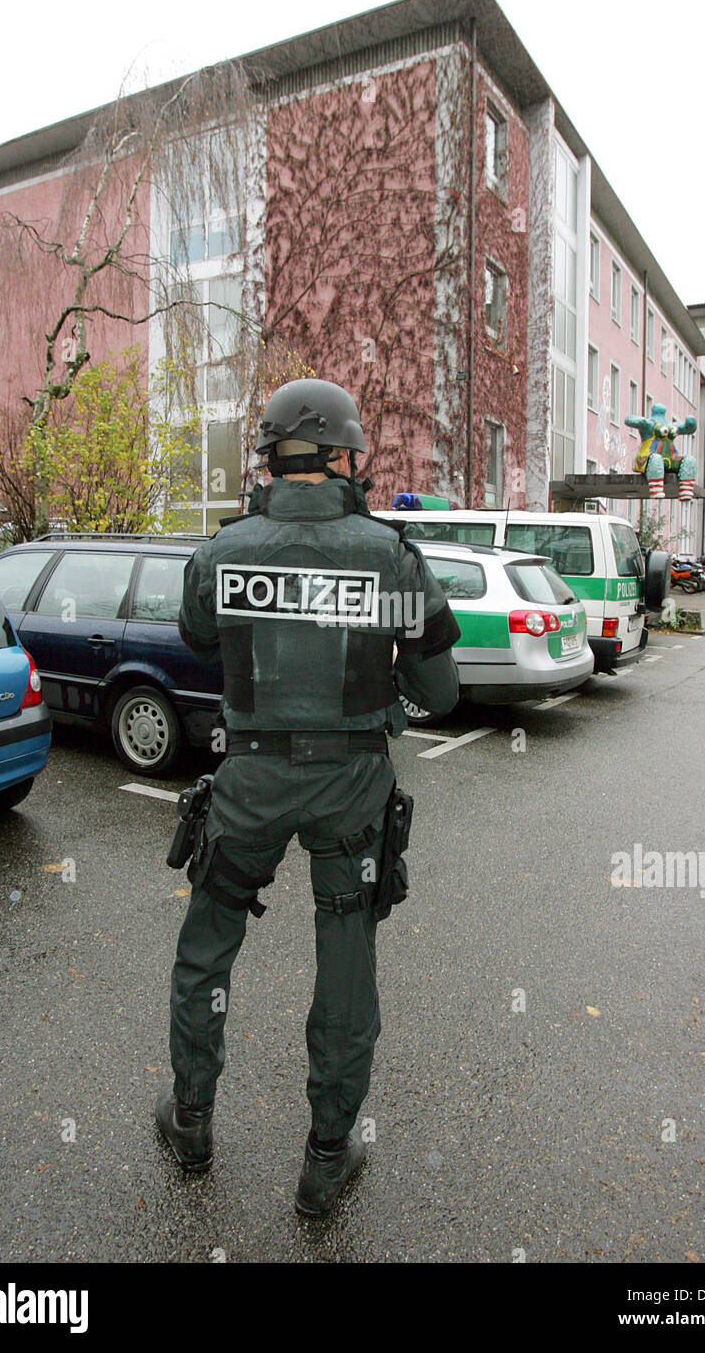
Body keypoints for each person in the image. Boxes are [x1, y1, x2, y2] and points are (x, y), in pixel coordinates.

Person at [156, 378, 460, 1217]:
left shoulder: (224, 551)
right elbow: (440, 693)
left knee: (205, 952)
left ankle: (190, 1122)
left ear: (269, 457)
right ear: (340, 456)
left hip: (249, 780)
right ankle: (326, 1161)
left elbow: (197, 637)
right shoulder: (389, 555)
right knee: (346, 967)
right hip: (350, 788)